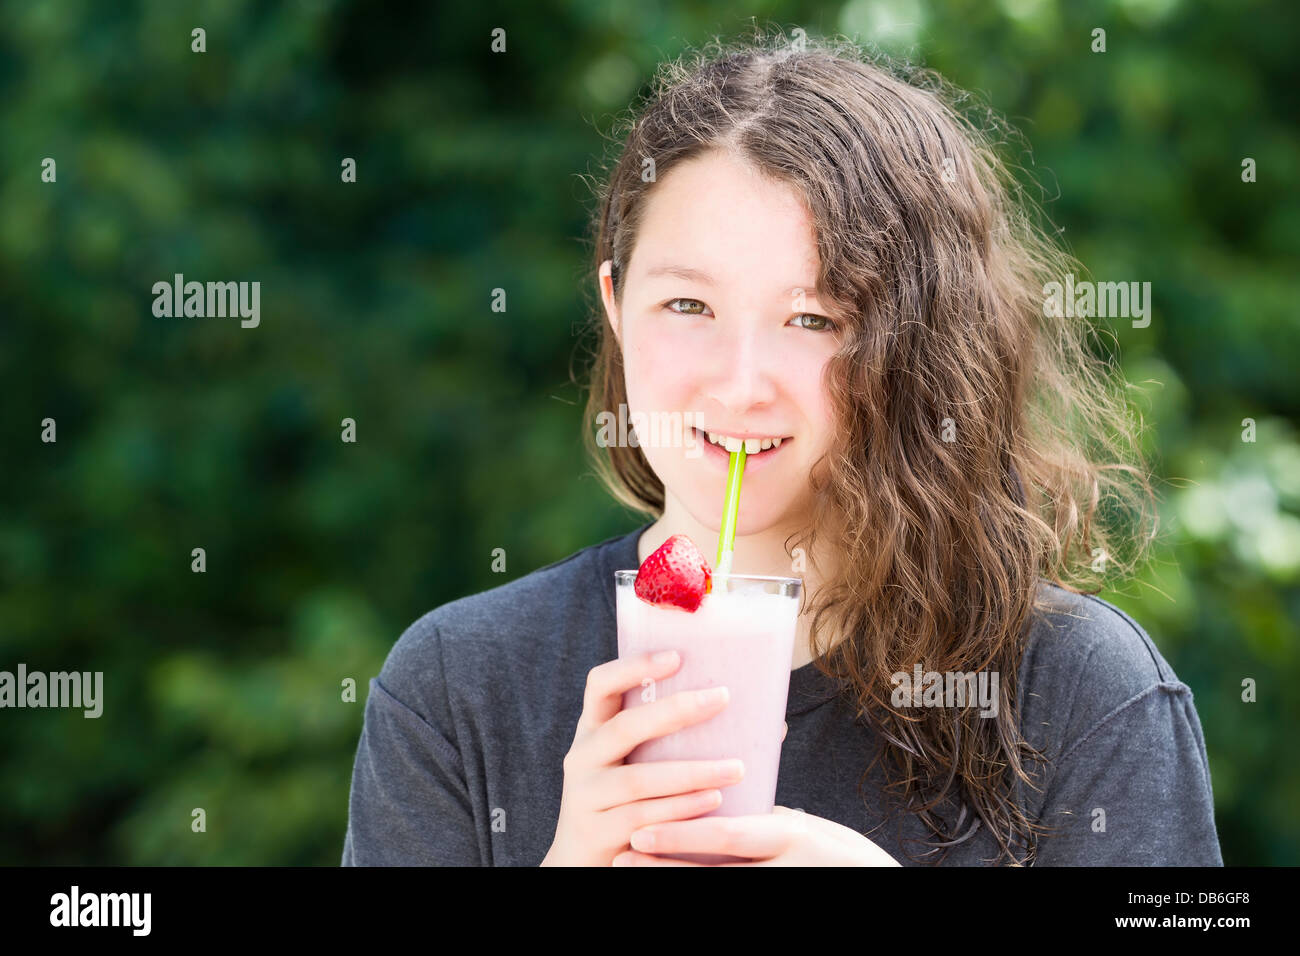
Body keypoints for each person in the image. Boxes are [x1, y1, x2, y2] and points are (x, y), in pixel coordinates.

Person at [342, 32, 1223, 866]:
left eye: (813, 319)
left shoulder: (1079, 693)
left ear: (910, 342)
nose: (739, 383)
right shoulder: (457, 691)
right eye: (688, 307)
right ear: (614, 306)